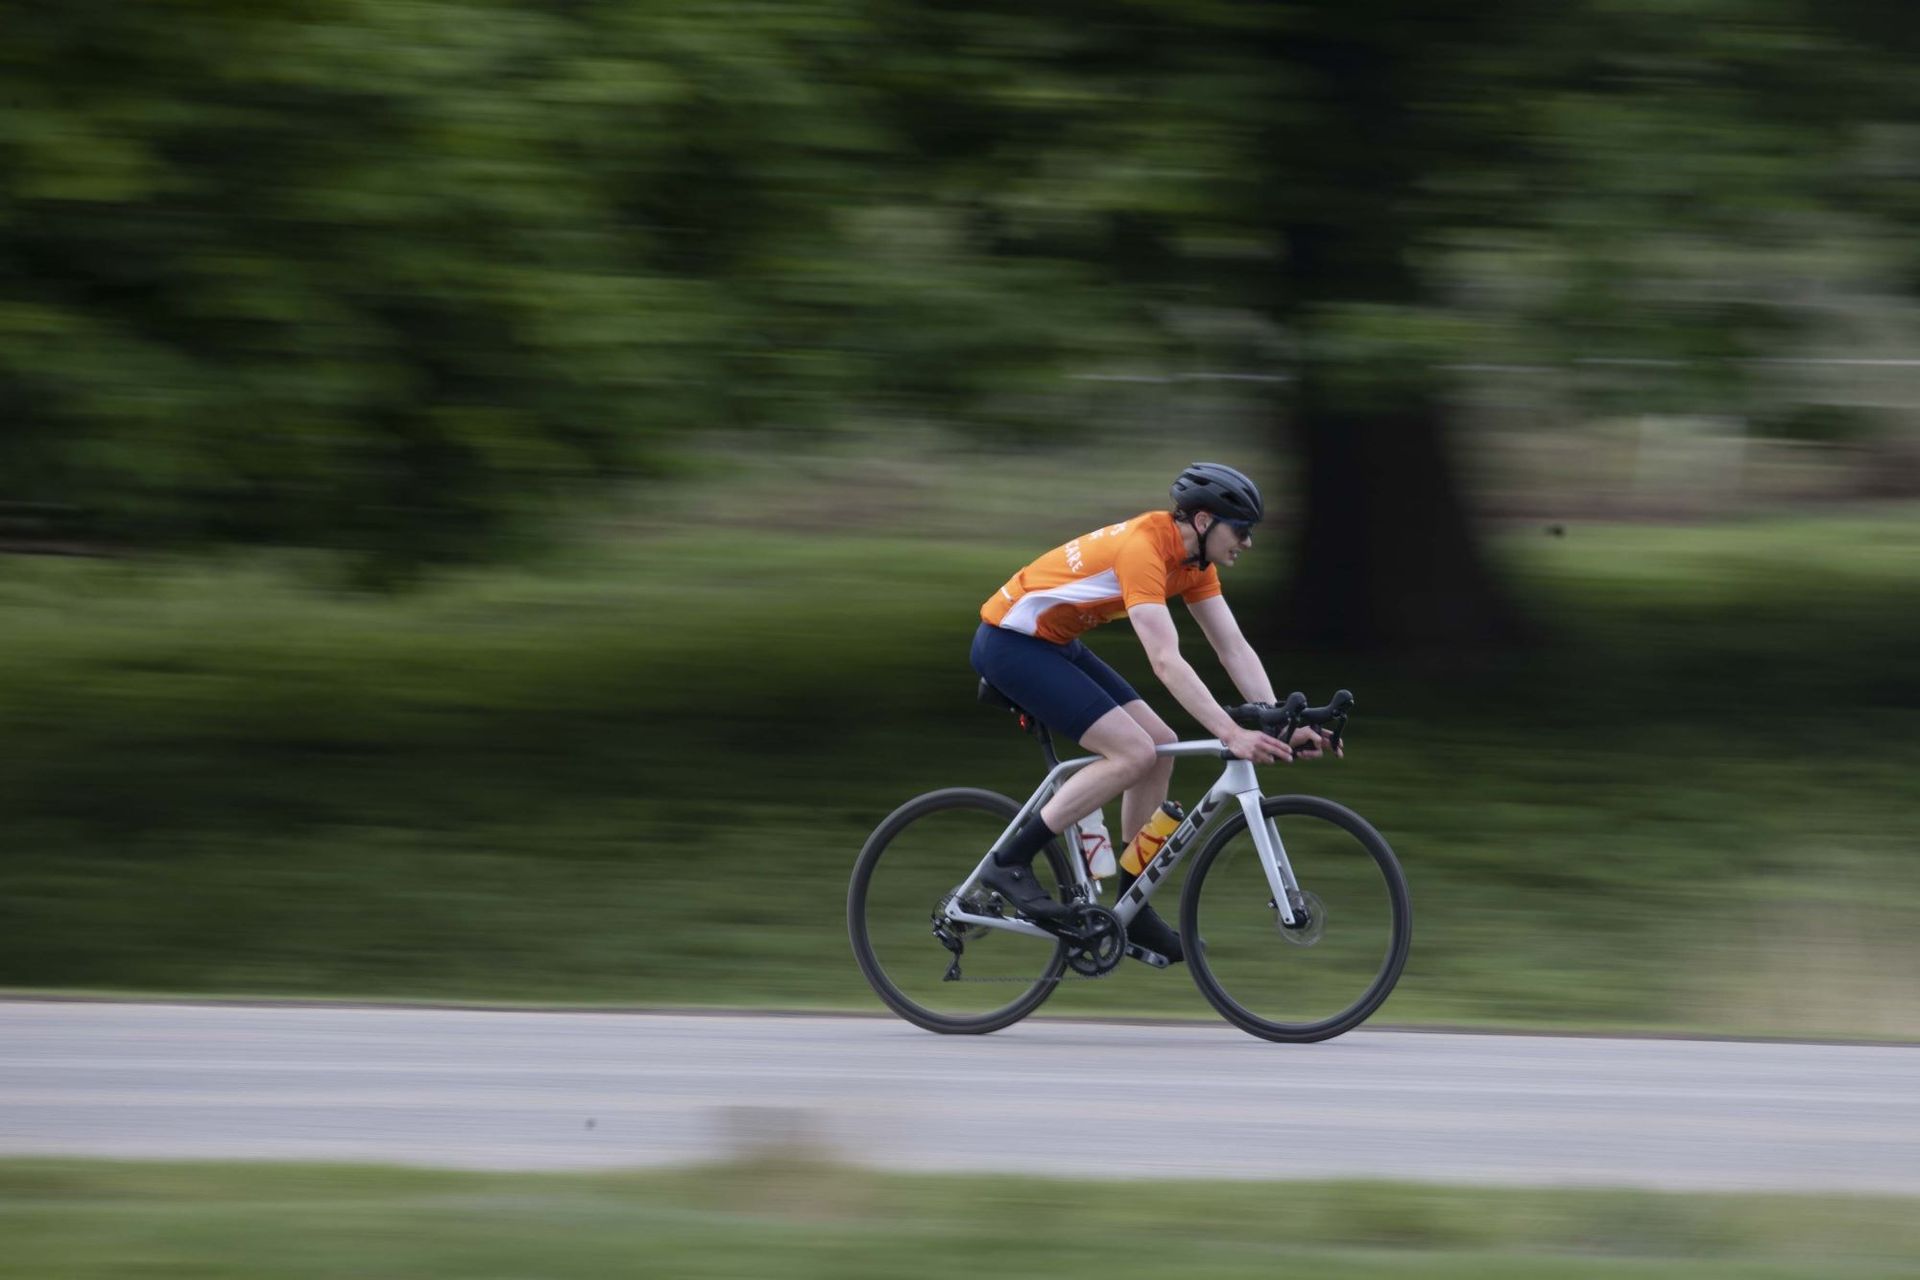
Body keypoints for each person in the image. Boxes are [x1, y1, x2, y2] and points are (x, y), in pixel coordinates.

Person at [969, 461, 1334, 962]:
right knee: (1133, 753)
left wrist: (1280, 722)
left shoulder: (1193, 564)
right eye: (1242, 530)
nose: (1247, 543)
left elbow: (1232, 647)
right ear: (1204, 521)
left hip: (1054, 643)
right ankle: (1008, 863)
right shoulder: (1146, 549)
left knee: (1159, 751)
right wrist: (1230, 732)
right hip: (1011, 643)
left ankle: (1130, 906)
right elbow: (1165, 660)